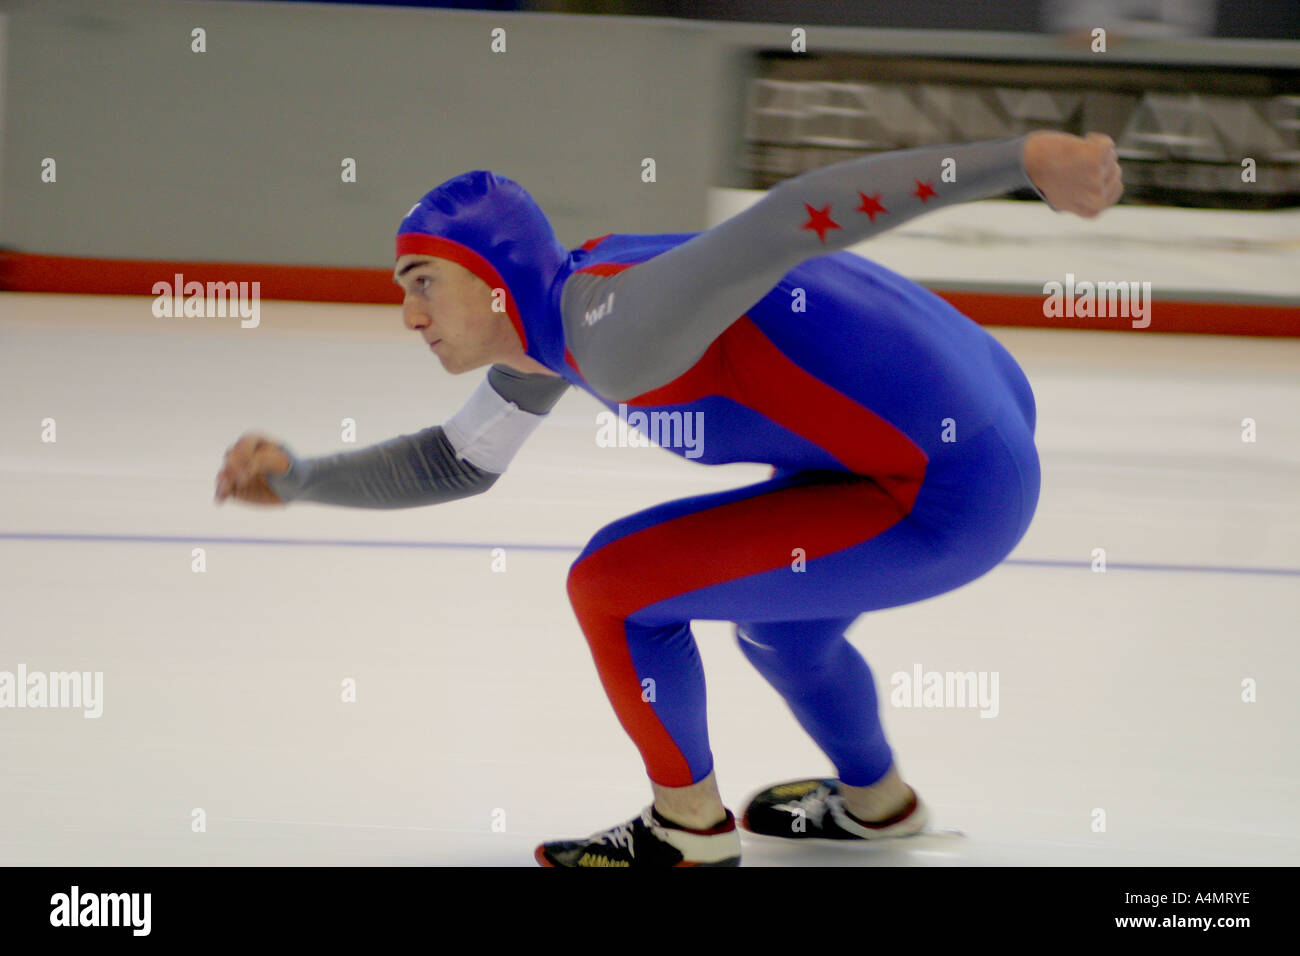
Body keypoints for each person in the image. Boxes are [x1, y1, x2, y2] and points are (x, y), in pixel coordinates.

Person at [215, 130, 1122, 867]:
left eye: (423, 285)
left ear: (492, 284)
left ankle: (686, 828)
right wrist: (302, 480)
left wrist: (1021, 162)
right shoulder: (560, 322)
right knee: (784, 625)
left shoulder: (619, 328)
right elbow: (457, 462)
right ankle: (876, 807)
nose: (410, 316)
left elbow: (786, 224)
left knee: (615, 584)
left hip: (951, 490)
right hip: (943, 438)